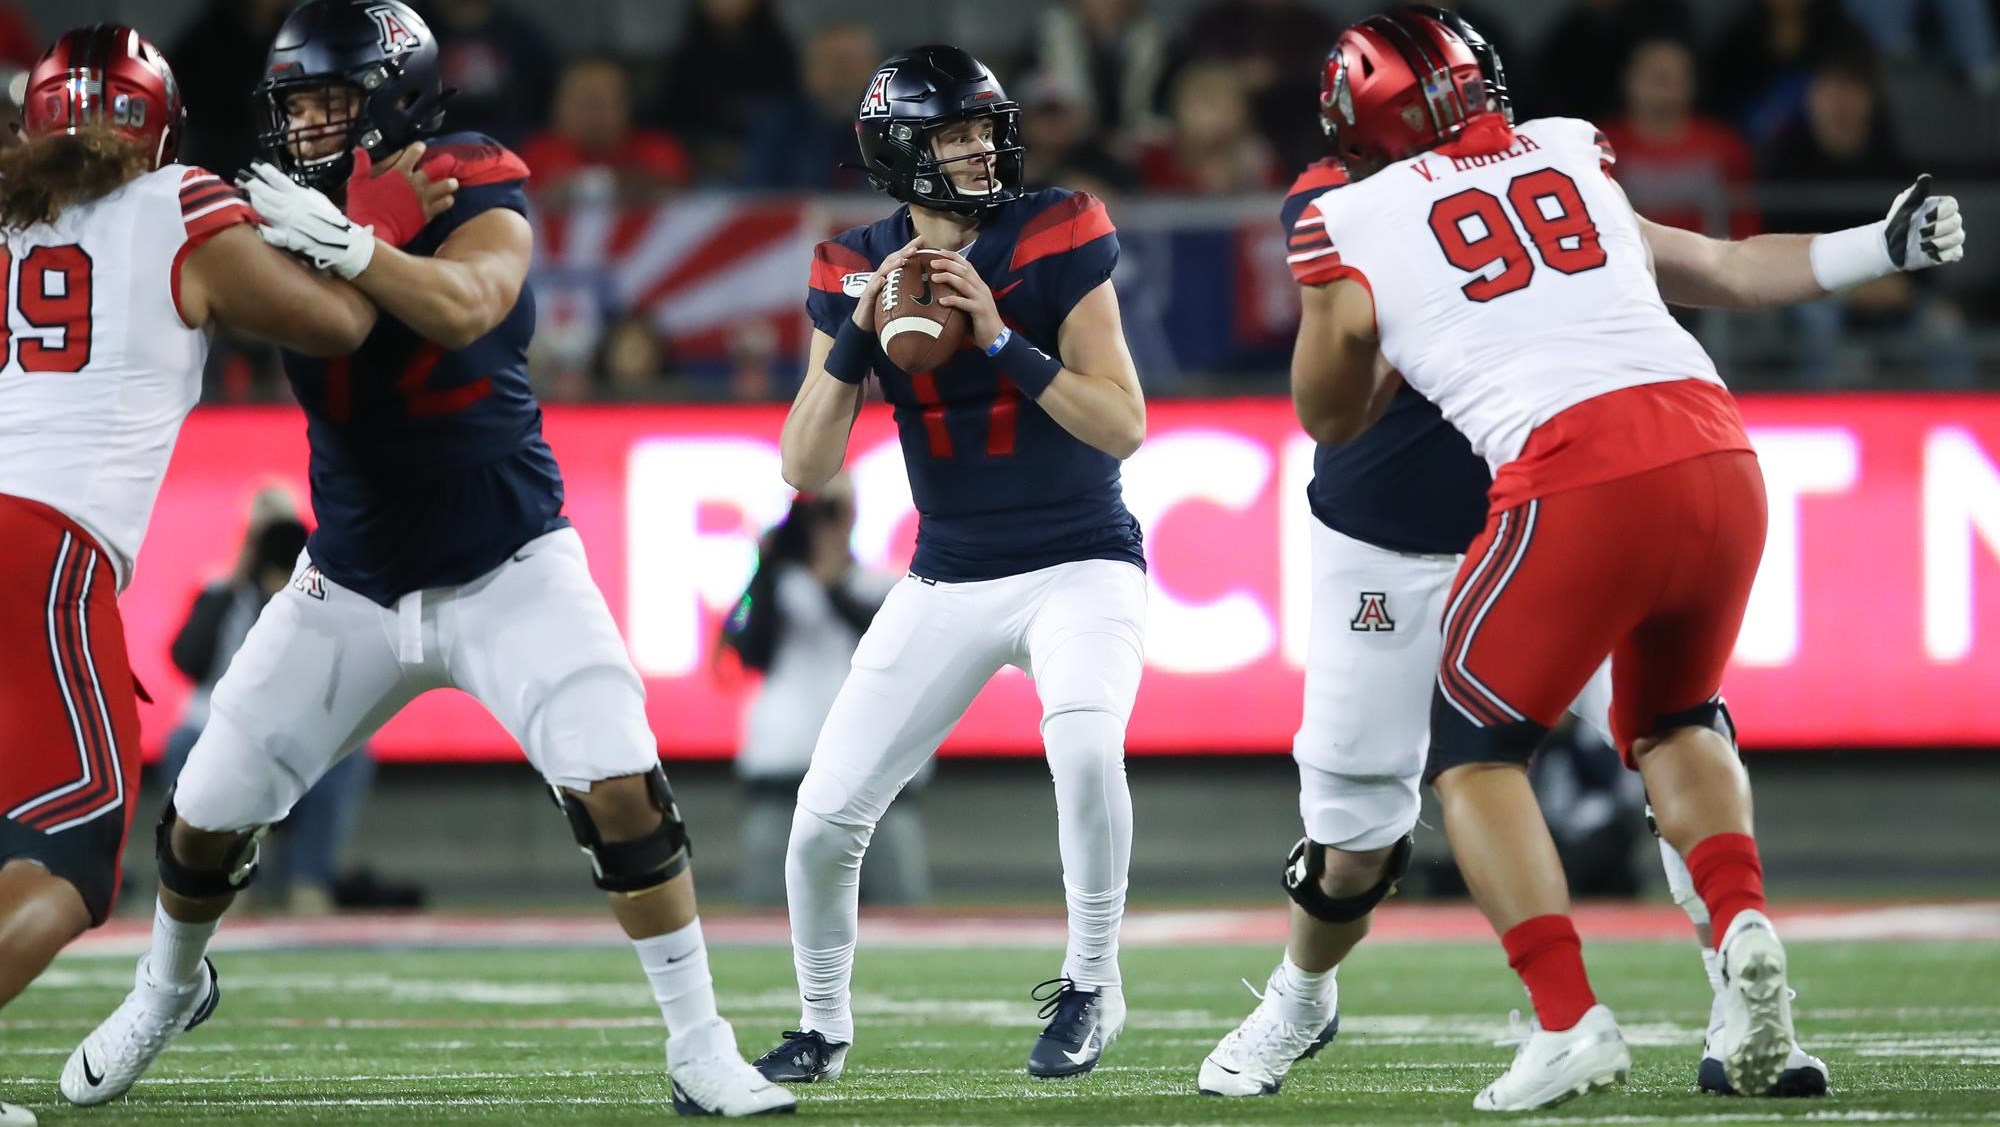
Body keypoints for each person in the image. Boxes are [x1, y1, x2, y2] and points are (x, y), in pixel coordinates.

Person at [1213, 6, 1962, 1112]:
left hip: (1553, 495)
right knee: (1637, 734)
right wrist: (1872, 247)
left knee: (1479, 759)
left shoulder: (1366, 210)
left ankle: (1591, 1013)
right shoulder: (1556, 153)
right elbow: (1715, 264)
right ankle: (1307, 995)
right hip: (1608, 476)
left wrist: (1389, 327)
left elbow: (1329, 402)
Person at [57, 2, 792, 1118]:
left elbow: (469, 303)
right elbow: (271, 317)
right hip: (350, 578)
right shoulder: (264, 206)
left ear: (395, 95)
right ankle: (167, 987)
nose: (307, 122)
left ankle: (700, 1043)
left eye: (330, 98)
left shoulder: (468, 174)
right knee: (202, 811)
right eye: (295, 102)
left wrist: (359, 244)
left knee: (623, 787)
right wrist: (324, 234)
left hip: (510, 562)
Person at [0, 23, 383, 1127]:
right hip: (39, 545)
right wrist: (362, 234)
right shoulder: (176, 201)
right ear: (155, 124)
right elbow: (340, 325)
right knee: (71, 855)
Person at [752, 45, 1148, 1084]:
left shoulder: (1059, 225)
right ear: (898, 154)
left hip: (1080, 558)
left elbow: (1123, 424)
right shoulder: (850, 263)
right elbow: (804, 466)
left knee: (1086, 749)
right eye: (954, 136)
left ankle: (1092, 983)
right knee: (822, 820)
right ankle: (821, 1027)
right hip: (947, 574)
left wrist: (1001, 338)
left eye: (984, 130)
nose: (980, 151)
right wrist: (855, 333)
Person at [719, 479, 923, 907]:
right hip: (784, 778)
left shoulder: (882, 585)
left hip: (876, 786)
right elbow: (741, 648)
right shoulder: (775, 588)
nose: (823, 525)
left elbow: (888, 645)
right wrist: (766, 566)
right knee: (767, 916)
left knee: (899, 917)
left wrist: (832, 584)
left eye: (833, 511)